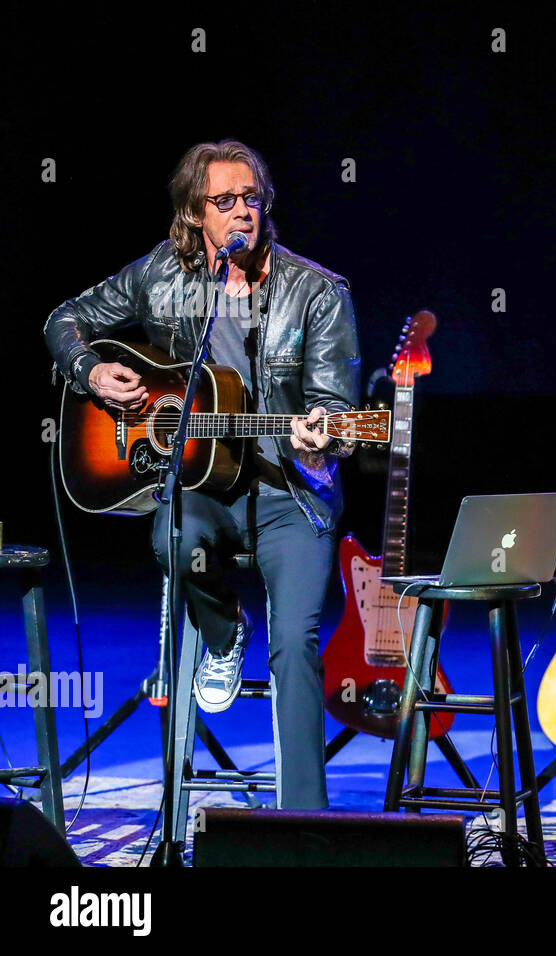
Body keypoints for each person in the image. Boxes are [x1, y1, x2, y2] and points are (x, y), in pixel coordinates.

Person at [44, 140, 361, 809]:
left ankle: (304, 819)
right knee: (168, 539)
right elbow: (64, 319)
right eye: (225, 201)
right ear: (194, 213)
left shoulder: (316, 293)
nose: (241, 210)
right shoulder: (162, 274)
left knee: (295, 646)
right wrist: (90, 370)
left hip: (291, 497)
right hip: (201, 488)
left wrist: (319, 434)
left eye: (251, 198)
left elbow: (335, 407)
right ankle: (222, 634)